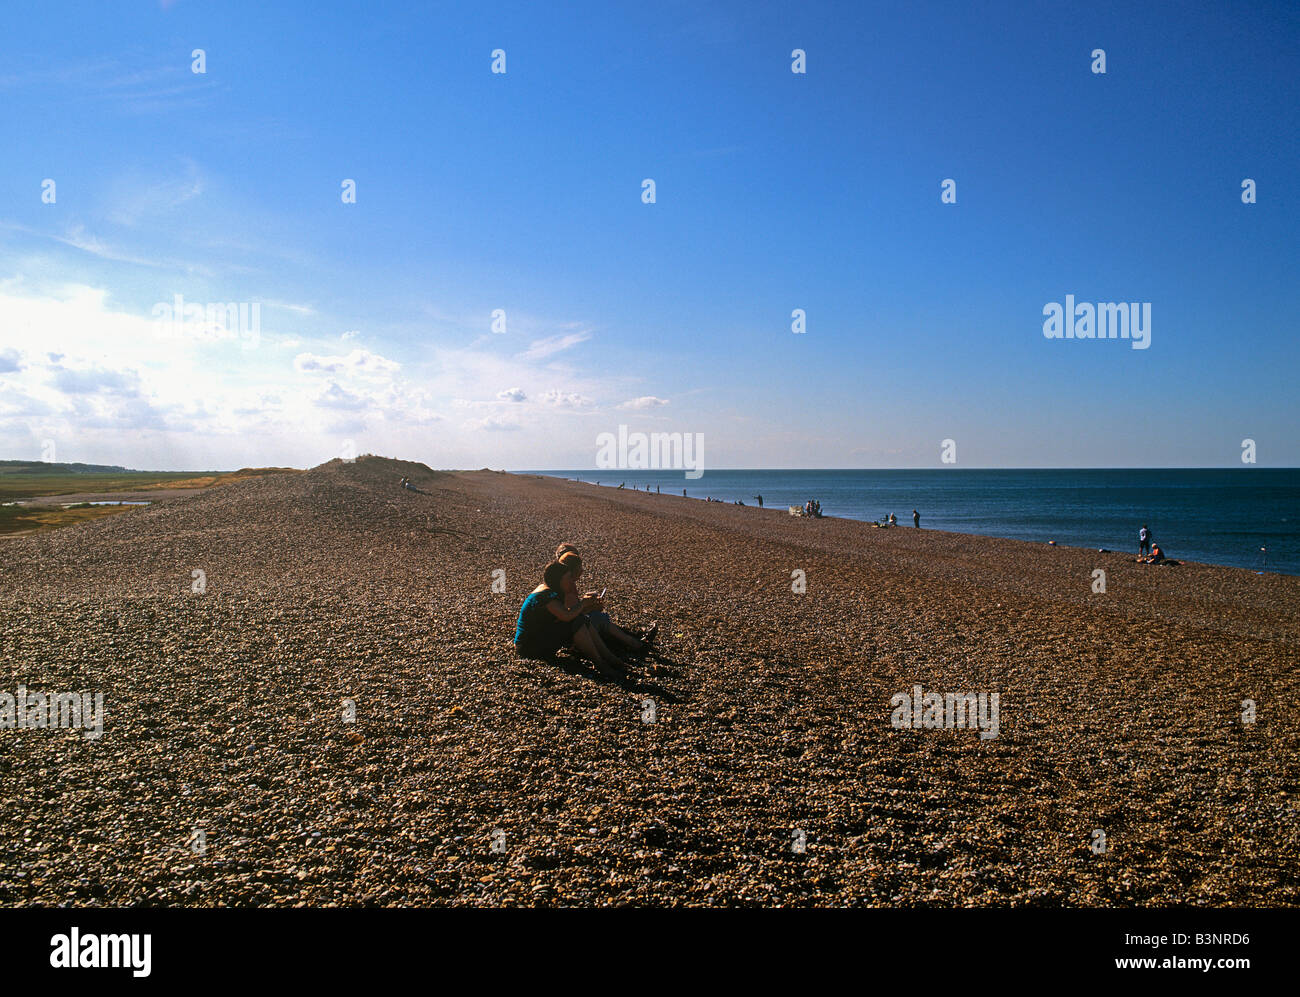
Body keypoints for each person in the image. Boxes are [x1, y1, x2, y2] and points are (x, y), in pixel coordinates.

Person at [514, 561, 635, 679]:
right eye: (568, 578)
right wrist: (583, 604)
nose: (571, 581)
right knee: (575, 622)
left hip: (539, 637)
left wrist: (588, 605)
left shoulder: (549, 591)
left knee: (581, 619)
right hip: (528, 647)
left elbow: (569, 613)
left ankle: (608, 657)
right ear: (558, 580)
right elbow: (566, 616)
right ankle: (600, 663)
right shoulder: (546, 597)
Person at [554, 546, 658, 653]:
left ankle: (634, 639)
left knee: (599, 618)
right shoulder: (565, 587)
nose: (581, 570)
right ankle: (634, 642)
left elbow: (573, 611)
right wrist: (588, 606)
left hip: (570, 626)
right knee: (599, 619)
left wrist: (590, 606)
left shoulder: (565, 582)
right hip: (569, 632)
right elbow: (571, 616)